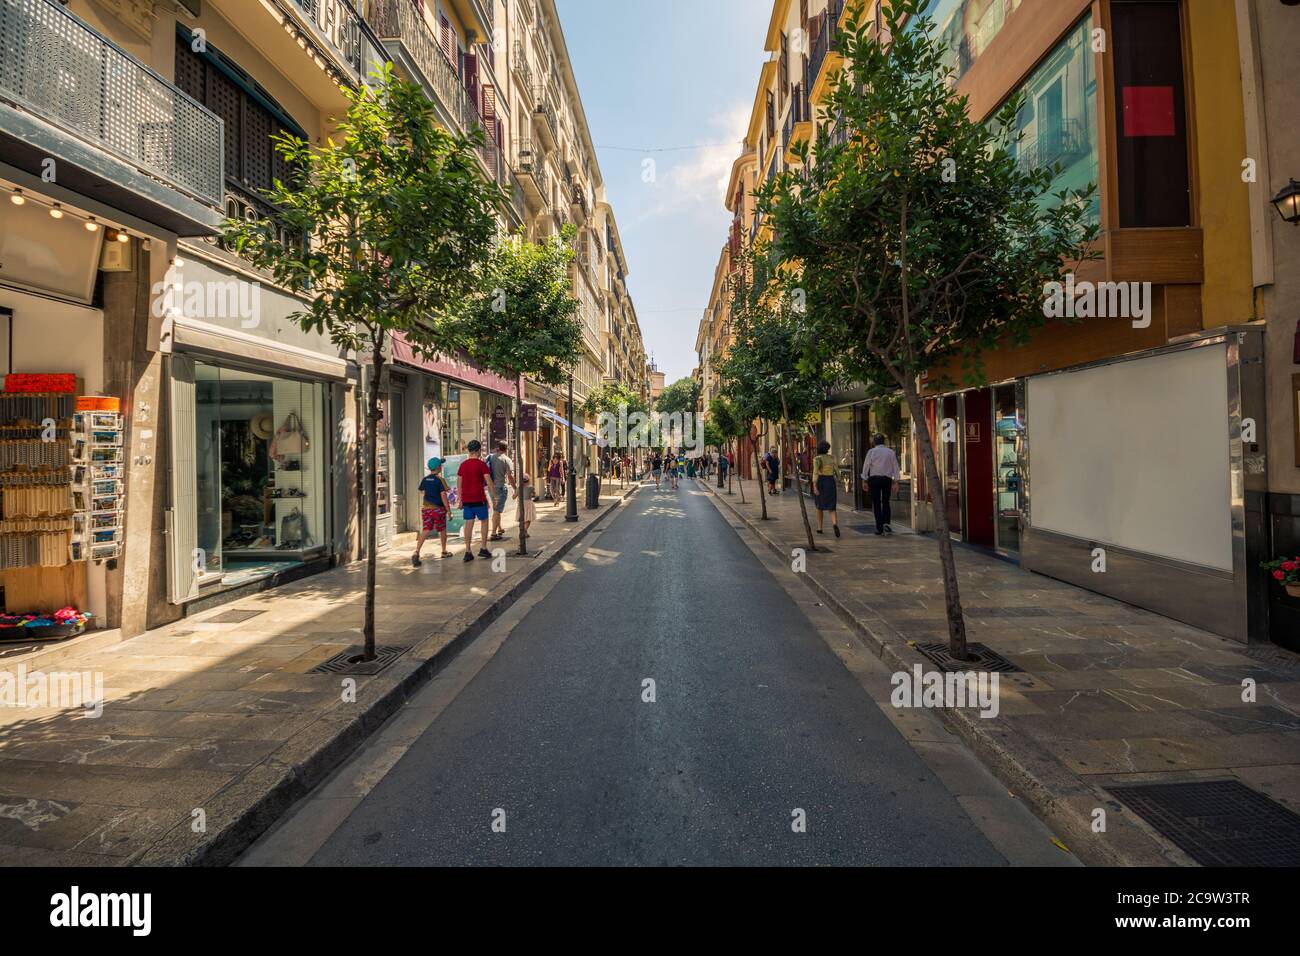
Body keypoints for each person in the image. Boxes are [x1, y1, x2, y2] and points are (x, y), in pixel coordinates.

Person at [458, 440, 496, 561]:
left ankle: (468, 551)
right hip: (479, 499)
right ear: (479, 450)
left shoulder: (463, 465)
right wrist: (495, 497)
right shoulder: (481, 464)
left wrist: (460, 499)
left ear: (469, 451)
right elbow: (489, 482)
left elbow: (459, 483)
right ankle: (483, 548)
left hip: (467, 500)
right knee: (484, 521)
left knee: (468, 524)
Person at [411, 457, 452, 566]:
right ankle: (444, 551)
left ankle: (416, 551)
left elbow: (421, 491)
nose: (441, 467)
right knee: (442, 530)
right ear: (438, 467)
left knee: (426, 530)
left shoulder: (425, 479)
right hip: (438, 509)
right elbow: (443, 495)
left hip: (426, 509)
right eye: (440, 465)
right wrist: (448, 510)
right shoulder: (440, 480)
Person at [862, 433, 901, 536]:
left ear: (874, 442)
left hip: (874, 479)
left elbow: (866, 466)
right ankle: (886, 523)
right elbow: (895, 466)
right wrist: (896, 481)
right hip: (886, 479)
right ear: (884, 441)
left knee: (876, 503)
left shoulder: (871, 452)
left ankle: (879, 527)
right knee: (886, 501)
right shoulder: (890, 452)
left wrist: (864, 480)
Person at [487, 440, 515, 542]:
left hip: (491, 487)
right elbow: (510, 476)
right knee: (497, 510)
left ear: (498, 447)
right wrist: (515, 488)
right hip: (500, 487)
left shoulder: (490, 457)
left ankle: (499, 528)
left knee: (496, 509)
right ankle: (493, 533)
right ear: (506, 449)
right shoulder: (507, 460)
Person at [812, 441, 840, 538]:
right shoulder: (832, 458)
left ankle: (820, 528)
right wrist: (838, 479)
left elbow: (815, 472)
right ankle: (834, 524)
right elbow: (837, 471)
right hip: (830, 481)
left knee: (819, 506)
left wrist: (814, 486)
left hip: (821, 482)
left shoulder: (817, 459)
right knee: (831, 506)